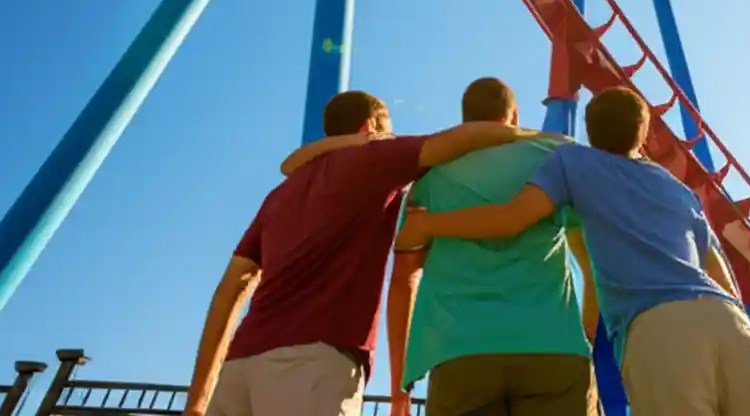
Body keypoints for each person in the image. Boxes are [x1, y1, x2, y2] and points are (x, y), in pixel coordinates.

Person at [397, 86, 750, 416]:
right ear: (645, 132)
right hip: (724, 319)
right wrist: (585, 330)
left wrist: (428, 225)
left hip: (652, 326)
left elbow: (510, 219)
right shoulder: (675, 188)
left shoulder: (570, 163)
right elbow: (717, 269)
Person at [182, 90, 548, 416]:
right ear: (370, 125)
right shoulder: (371, 159)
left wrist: (198, 399)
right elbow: (457, 139)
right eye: (387, 127)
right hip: (312, 364)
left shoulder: (279, 195)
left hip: (237, 369)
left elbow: (230, 289)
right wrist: (539, 138)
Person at [380, 77, 602, 416]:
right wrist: (584, 334)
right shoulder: (552, 156)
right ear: (513, 116)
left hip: (460, 355)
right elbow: (594, 263)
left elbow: (403, 282)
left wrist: (399, 388)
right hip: (554, 347)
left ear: (466, 121)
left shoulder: (430, 182)